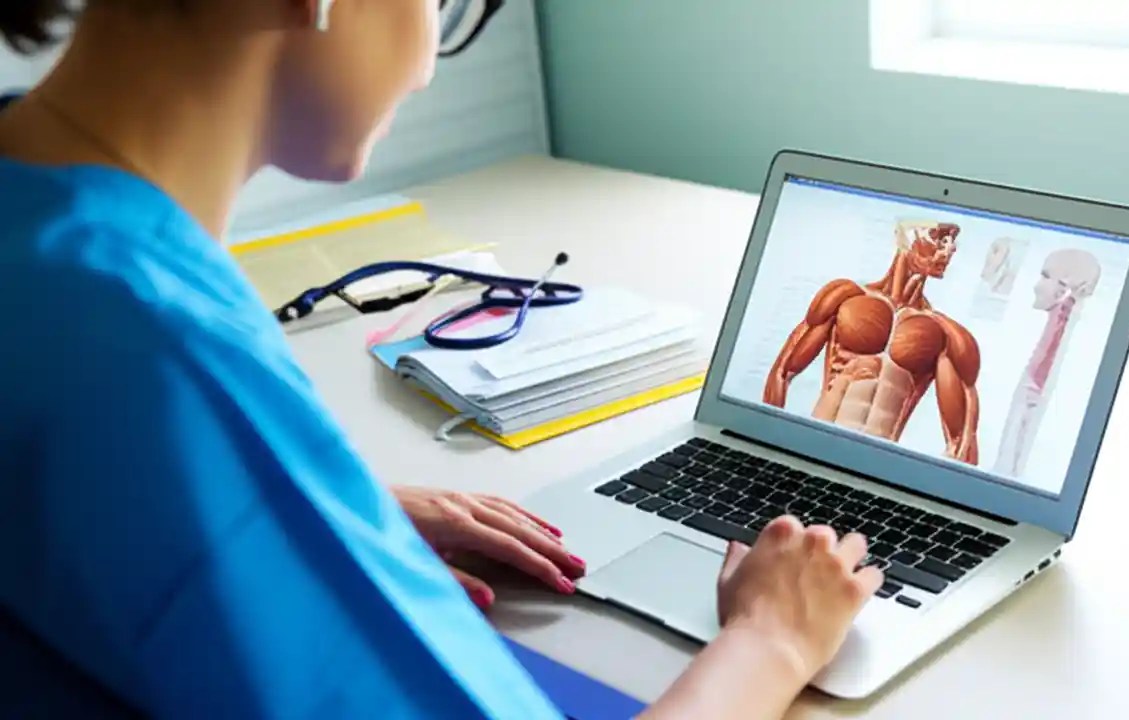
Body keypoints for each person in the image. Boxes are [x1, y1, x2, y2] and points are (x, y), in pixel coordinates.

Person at [0, 1, 885, 718]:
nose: (426, 60)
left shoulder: (49, 241)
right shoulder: (154, 356)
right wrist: (773, 639)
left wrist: (316, 514)